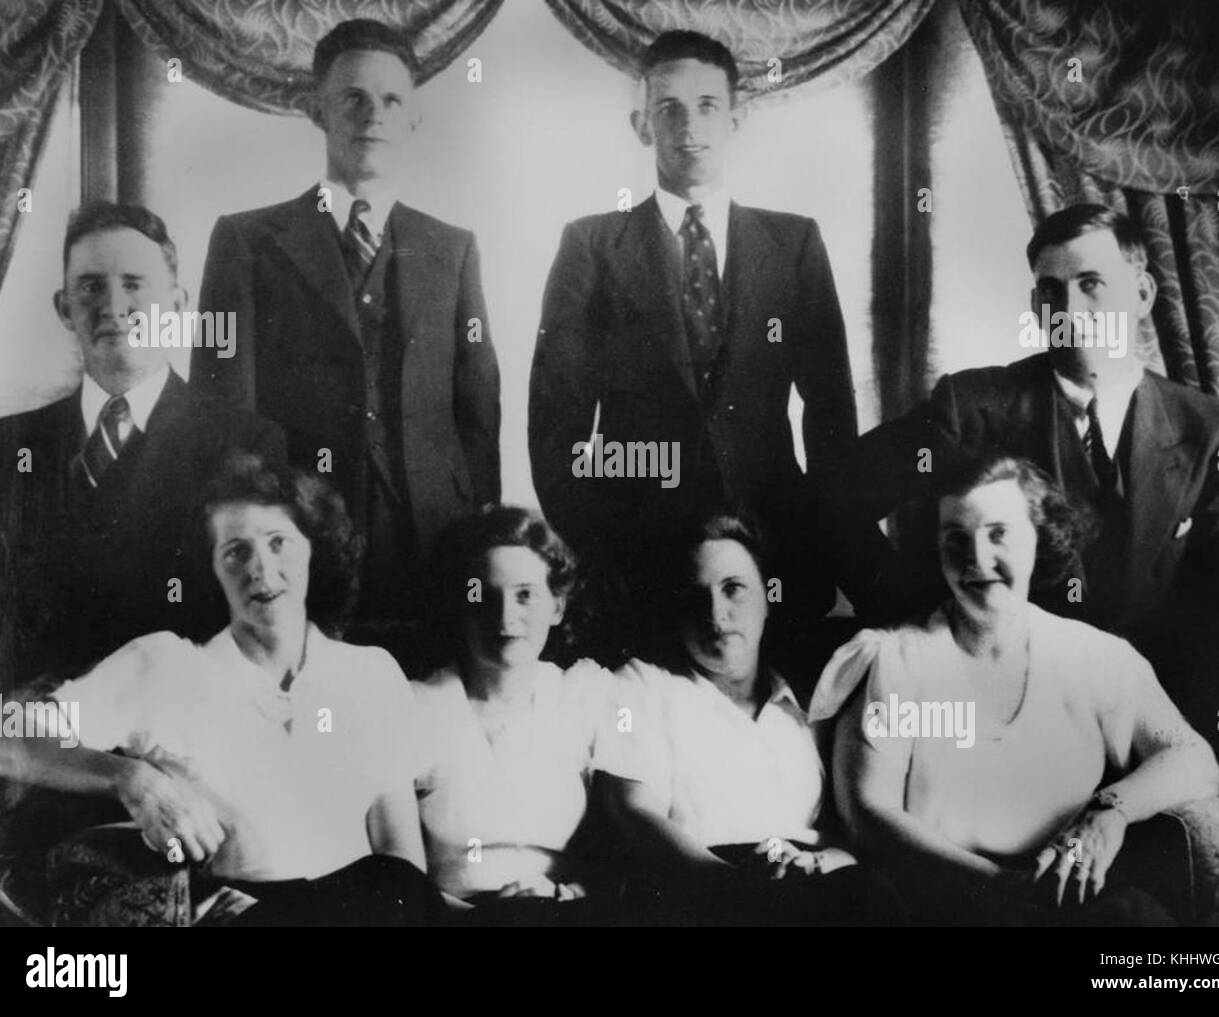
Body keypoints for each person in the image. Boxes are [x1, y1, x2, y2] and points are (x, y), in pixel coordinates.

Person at [834, 203, 1219, 804]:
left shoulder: (1211, 430)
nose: (1069, 312)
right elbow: (834, 499)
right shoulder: (976, 408)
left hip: (1154, 722)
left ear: (1142, 293)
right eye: (1050, 290)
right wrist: (911, 609)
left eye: (1091, 284)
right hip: (999, 714)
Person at [529, 30, 884, 660]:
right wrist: (598, 548)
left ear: (736, 118)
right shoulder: (591, 245)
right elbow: (557, 423)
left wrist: (825, 535)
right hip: (637, 553)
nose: (688, 125)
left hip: (772, 546)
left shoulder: (793, 244)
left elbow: (831, 409)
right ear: (642, 125)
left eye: (707, 106)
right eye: (668, 108)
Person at [0, 453, 440, 926]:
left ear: (314, 550)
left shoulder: (372, 673)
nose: (260, 568)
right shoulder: (168, 665)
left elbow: (400, 859)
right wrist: (133, 780)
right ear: (211, 571)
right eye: (235, 552)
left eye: (278, 542)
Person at [191, 18, 500, 659]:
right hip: (296, 537)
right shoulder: (247, 241)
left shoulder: (451, 247)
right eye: (353, 98)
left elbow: (478, 411)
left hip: (428, 539)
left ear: (414, 117)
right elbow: (225, 411)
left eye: (391, 101)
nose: (373, 116)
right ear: (316, 109)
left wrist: (471, 529)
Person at [812, 455, 1219, 925]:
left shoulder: (1093, 657)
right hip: (943, 904)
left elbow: (1195, 760)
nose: (977, 560)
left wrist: (1108, 813)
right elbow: (869, 814)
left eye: (998, 533)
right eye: (955, 539)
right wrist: (995, 885)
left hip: (1067, 902)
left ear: (1040, 537)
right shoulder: (898, 661)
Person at [0, 203, 284, 691]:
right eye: (91, 286)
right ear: (63, 307)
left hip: (185, 725)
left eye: (134, 285)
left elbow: (258, 622)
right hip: (33, 740)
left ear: (178, 304)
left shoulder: (245, 445)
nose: (114, 307)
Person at [601, 512, 891, 925]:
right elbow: (634, 812)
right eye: (694, 596)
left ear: (768, 598)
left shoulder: (806, 706)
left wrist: (822, 862)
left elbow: (844, 832)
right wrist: (734, 886)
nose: (715, 613)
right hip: (700, 886)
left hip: (812, 882)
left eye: (733, 588)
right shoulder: (641, 687)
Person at [411, 505, 639, 923]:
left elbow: (623, 852)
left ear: (557, 606)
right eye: (484, 594)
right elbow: (395, 872)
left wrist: (563, 894)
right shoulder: (418, 706)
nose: (504, 617)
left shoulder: (583, 698)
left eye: (525, 594)